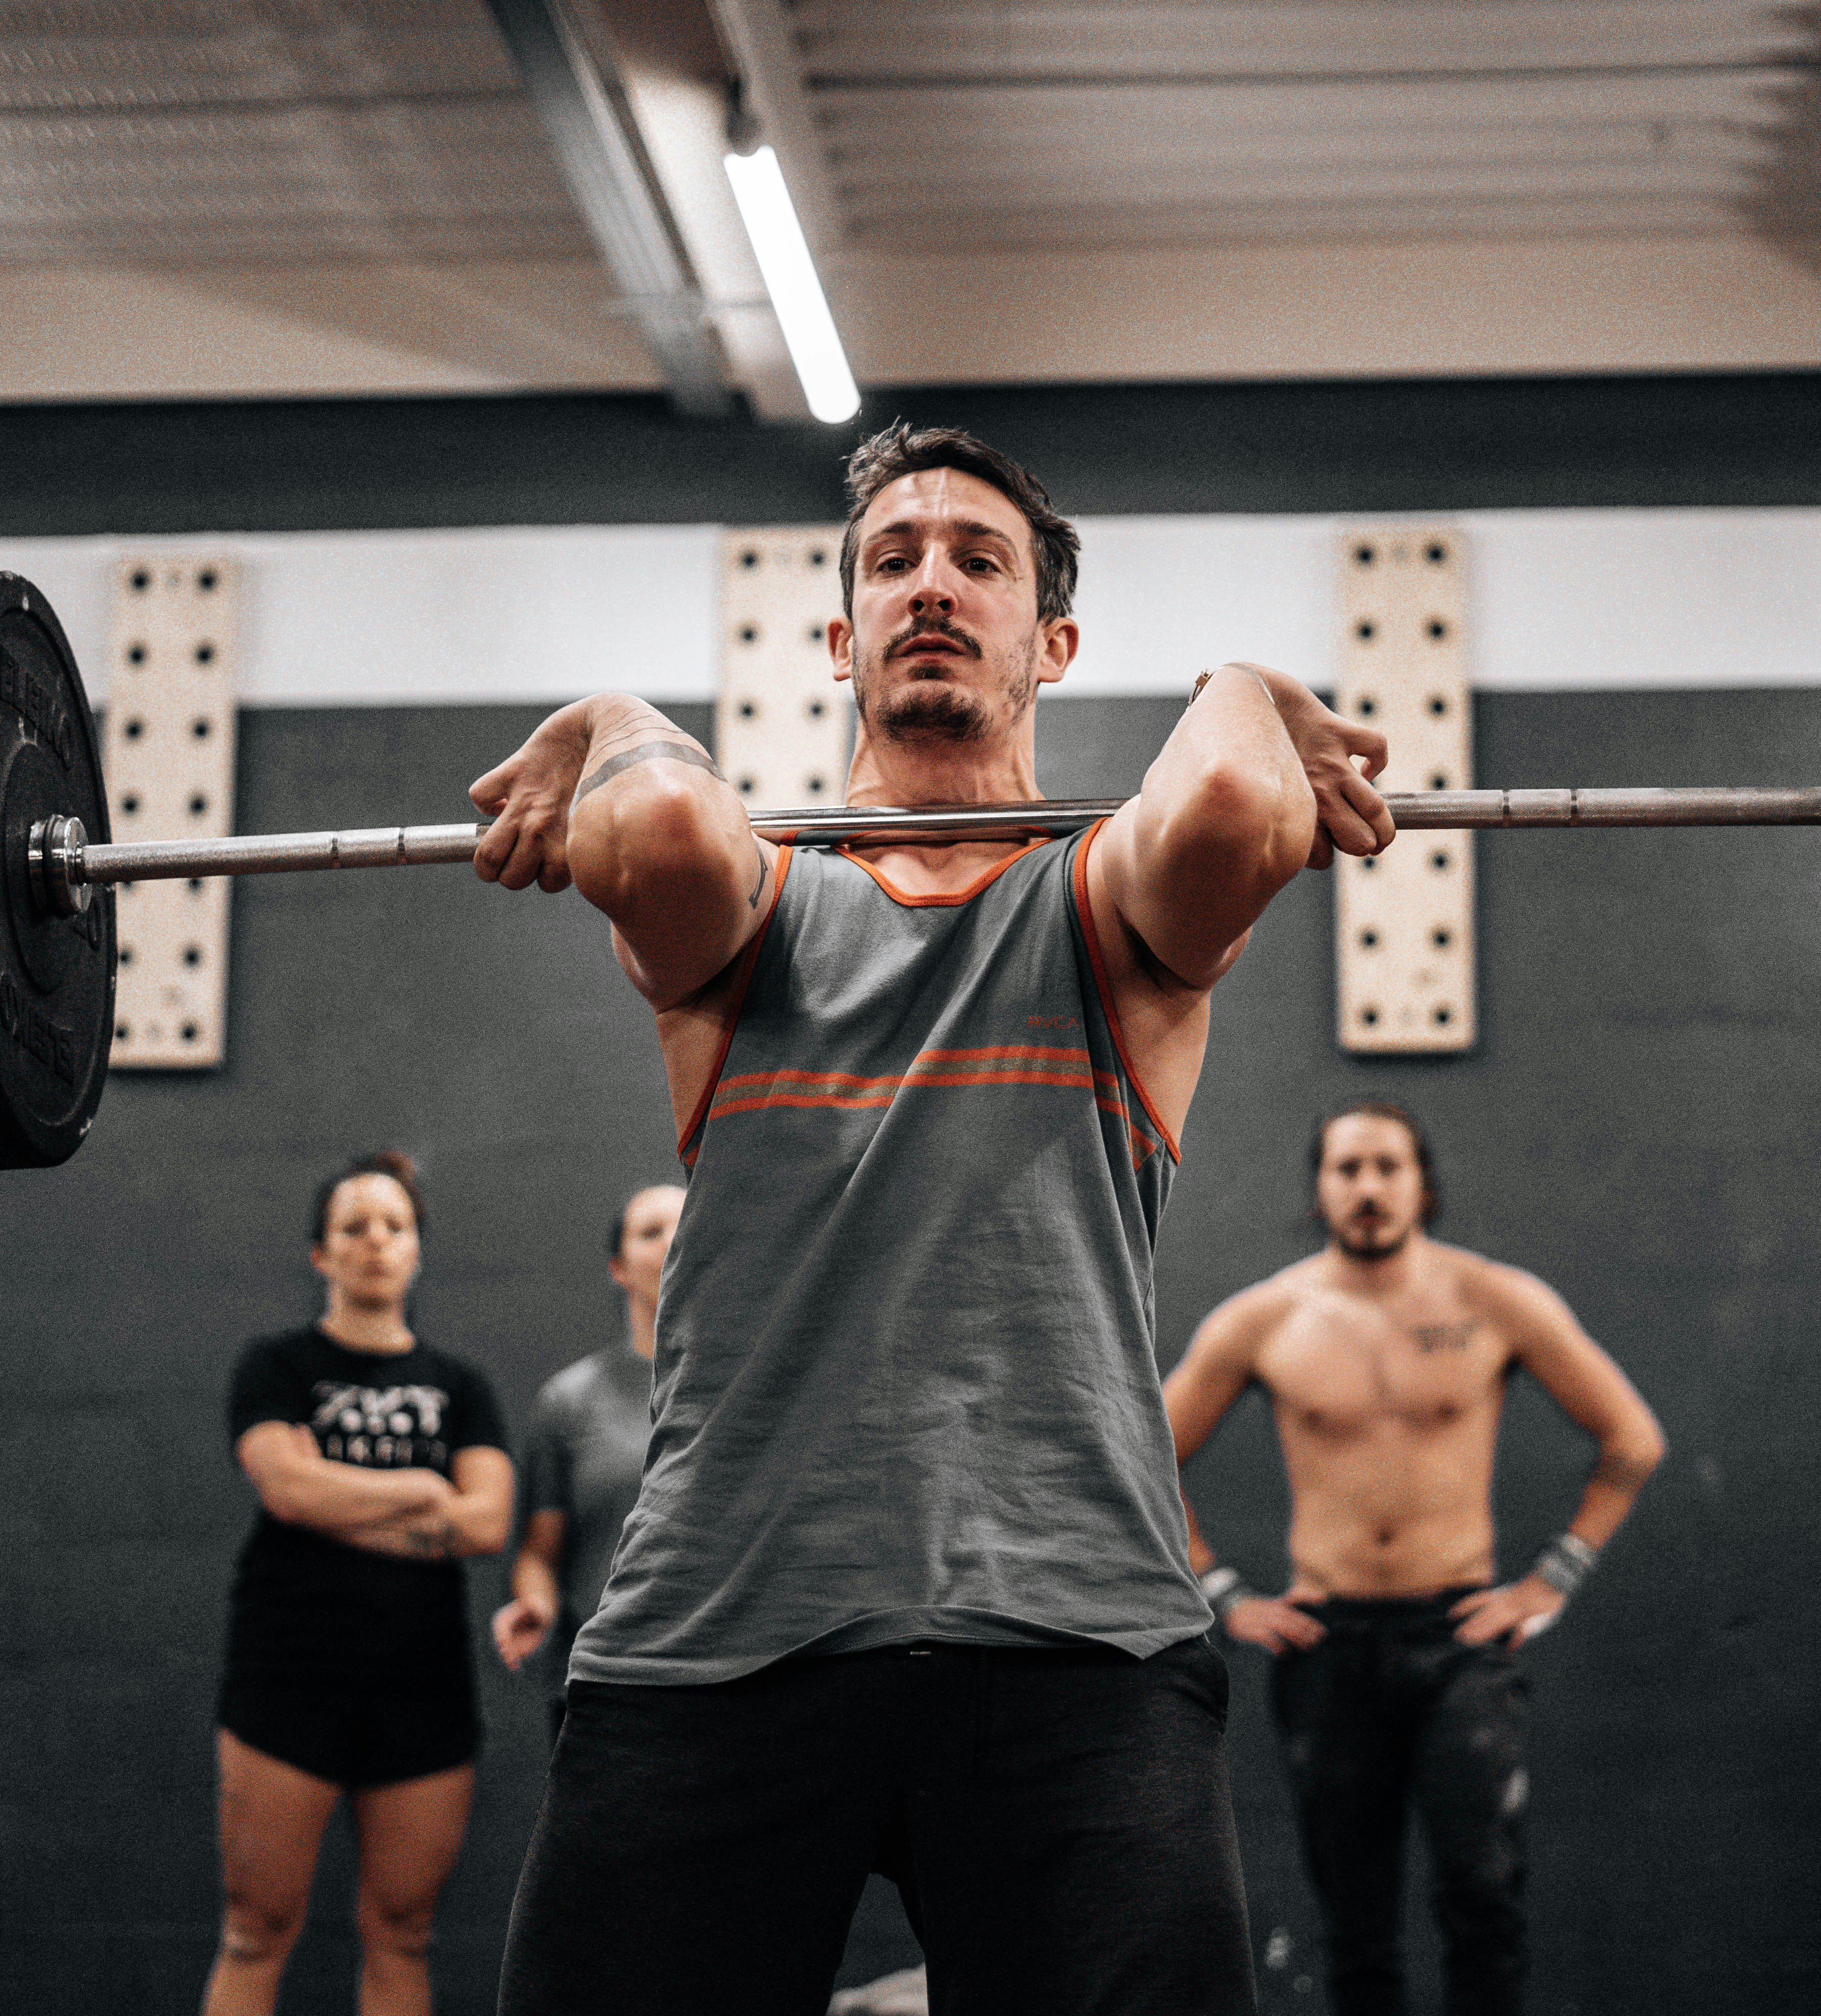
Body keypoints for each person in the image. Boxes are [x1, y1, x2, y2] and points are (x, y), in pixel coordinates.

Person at [464, 420, 1399, 2015]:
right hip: (719, 1626)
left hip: (1073, 1633)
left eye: (979, 561)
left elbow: (1242, 812)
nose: (930, 587)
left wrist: (1239, 683)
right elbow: (658, 832)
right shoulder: (756, 908)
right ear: (837, 639)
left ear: (1053, 644)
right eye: (890, 562)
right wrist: (621, 716)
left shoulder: (1105, 907)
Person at [1162, 1101, 1665, 2016]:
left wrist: (1552, 1581)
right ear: (1320, 1189)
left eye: (1386, 1167)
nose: (1367, 1188)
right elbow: (1145, 1454)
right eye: (1347, 1169)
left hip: (1456, 1642)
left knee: (1482, 1896)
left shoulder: (1493, 1301)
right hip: (1327, 1643)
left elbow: (1631, 1439)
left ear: (1421, 1183)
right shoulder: (1268, 1318)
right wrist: (1224, 1592)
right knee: (1356, 1926)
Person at [204, 1151, 515, 2016]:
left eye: (394, 1226)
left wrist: (340, 1498)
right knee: (255, 1928)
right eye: (353, 1227)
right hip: (288, 1678)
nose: (375, 1242)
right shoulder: (277, 1366)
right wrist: (423, 1492)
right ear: (321, 1254)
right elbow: (287, 1491)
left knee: (403, 1932)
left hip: (421, 1687)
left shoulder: (461, 1388)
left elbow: (487, 1524)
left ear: (417, 1249)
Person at [491, 1183, 681, 1732]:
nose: (672, 1241)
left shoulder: (753, 1389)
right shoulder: (569, 1400)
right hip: (606, 1692)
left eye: (684, 1225)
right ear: (619, 1267)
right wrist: (537, 1605)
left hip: (731, 1684)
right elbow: (541, 1554)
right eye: (651, 1231)